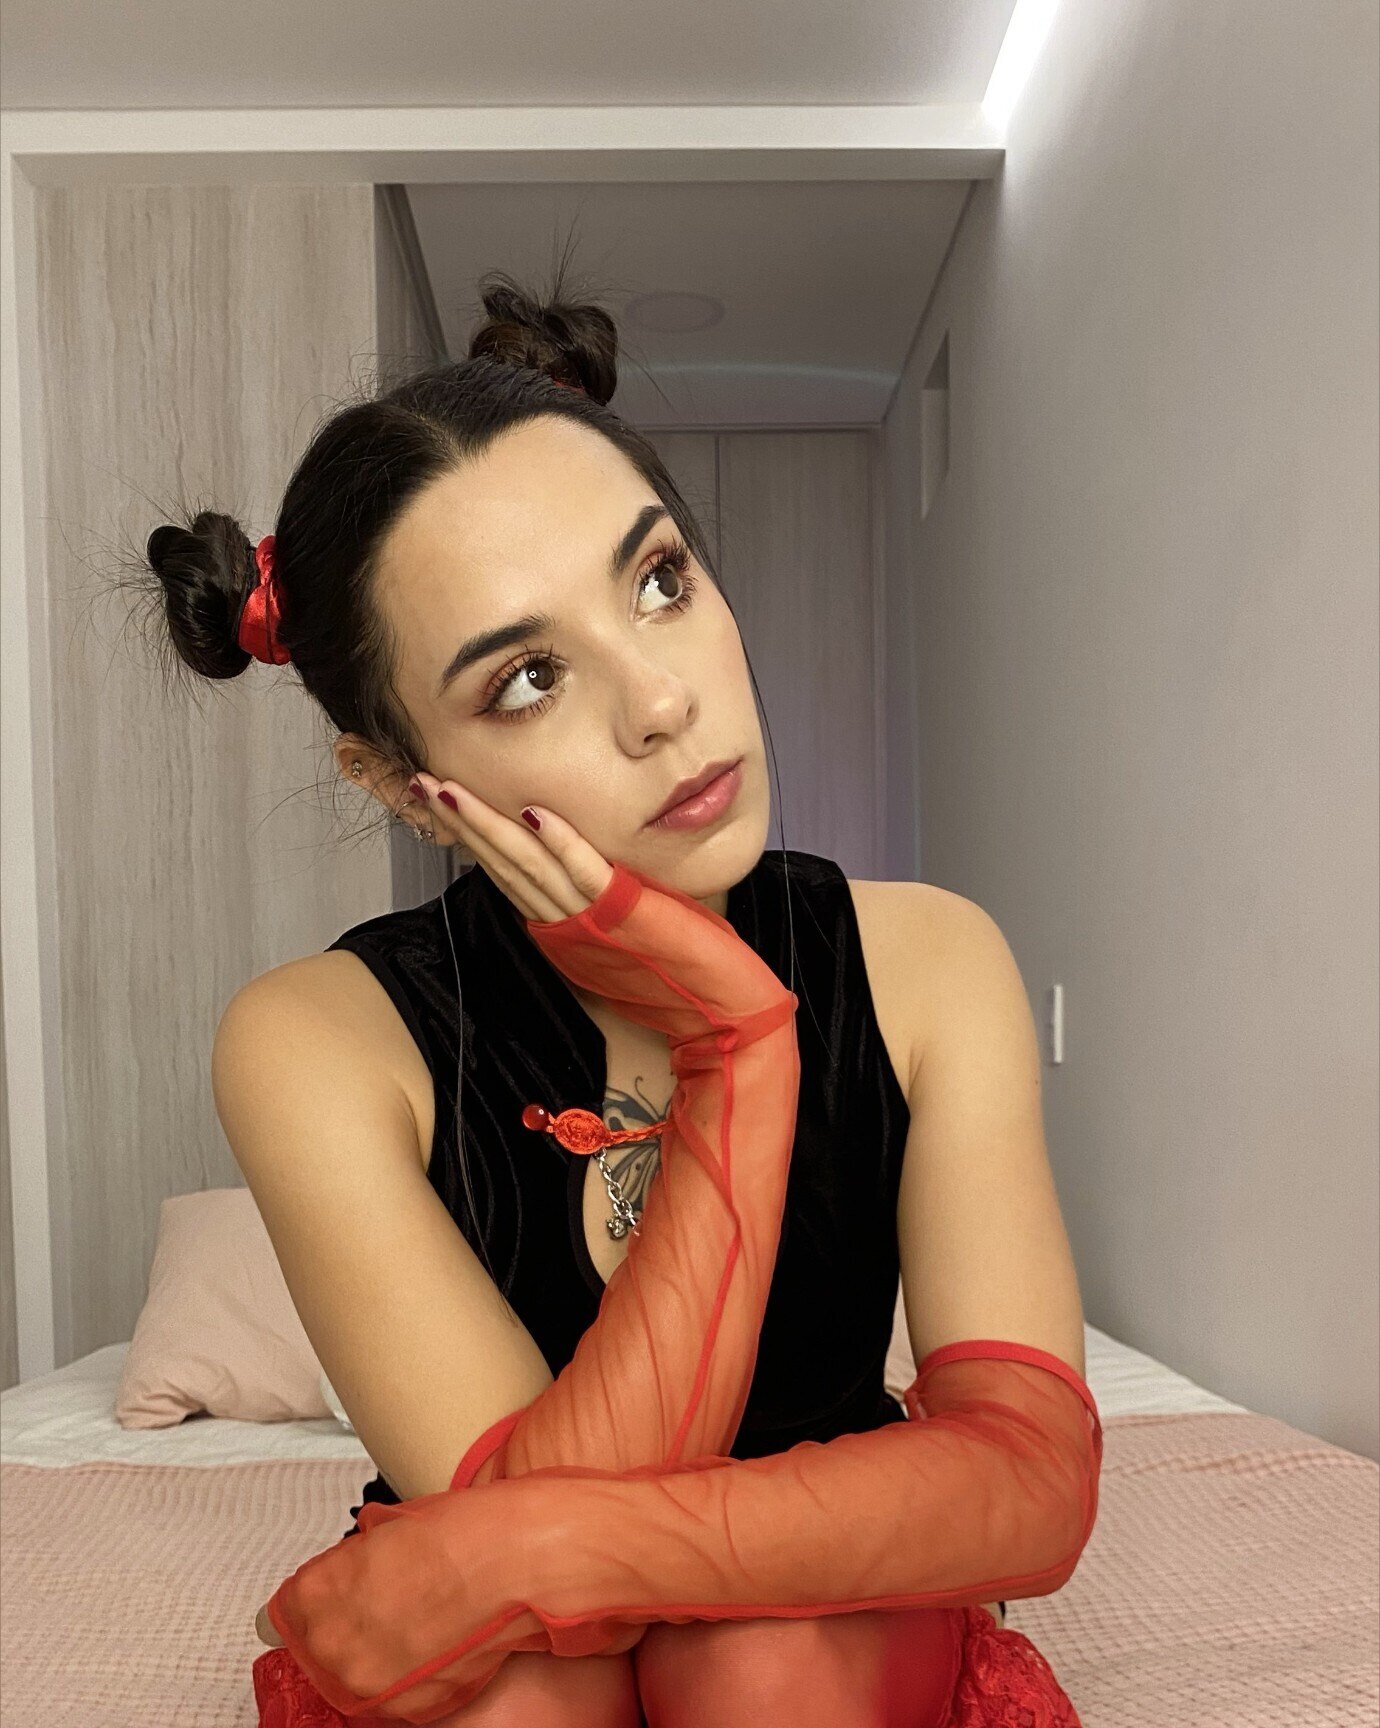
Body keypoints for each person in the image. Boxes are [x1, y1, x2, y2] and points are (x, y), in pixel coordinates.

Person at [142, 259, 1101, 1726]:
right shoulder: (319, 1039)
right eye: (527, 678)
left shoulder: (929, 960)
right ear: (401, 781)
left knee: (755, 1662)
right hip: (531, 1667)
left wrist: (538, 1554)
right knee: (527, 1691)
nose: (663, 703)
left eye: (660, 582)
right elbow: (521, 1551)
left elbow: (1031, 1480)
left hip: (832, 1618)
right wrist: (736, 1046)